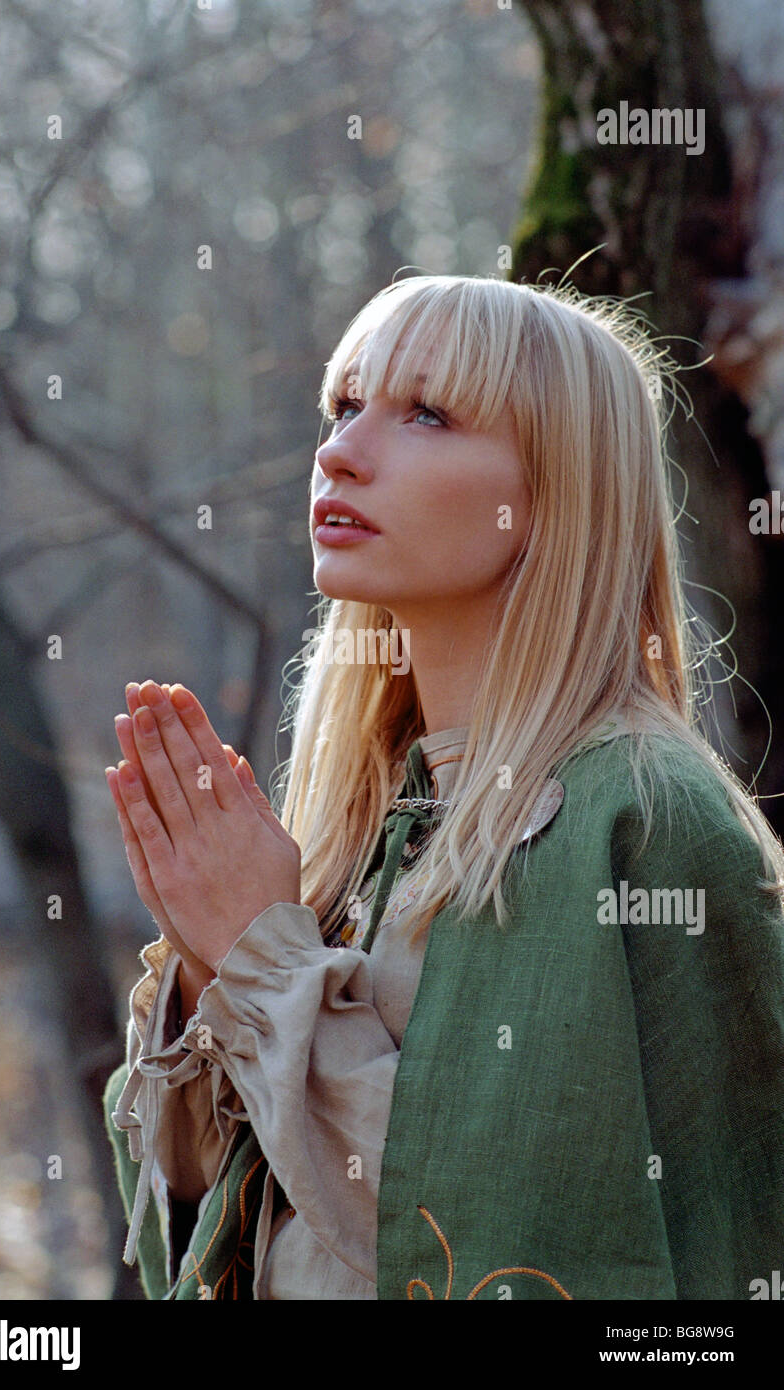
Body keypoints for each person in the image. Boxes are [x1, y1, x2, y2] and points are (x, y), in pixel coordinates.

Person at [102, 274, 784, 1300]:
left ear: (557, 486)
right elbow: (214, 1207)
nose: (339, 453)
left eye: (427, 413)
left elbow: (539, 1249)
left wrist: (270, 964)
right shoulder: (371, 826)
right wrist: (215, 964)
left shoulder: (643, 818)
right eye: (344, 406)